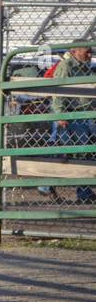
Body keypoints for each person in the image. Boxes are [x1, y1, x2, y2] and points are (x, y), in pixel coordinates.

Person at [40, 45, 94, 205]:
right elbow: (58, 91)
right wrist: (60, 114)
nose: (90, 54)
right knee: (63, 151)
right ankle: (45, 185)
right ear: (75, 51)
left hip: (81, 115)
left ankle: (83, 192)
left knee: (80, 152)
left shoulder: (84, 67)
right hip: (68, 115)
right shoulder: (66, 66)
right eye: (87, 51)